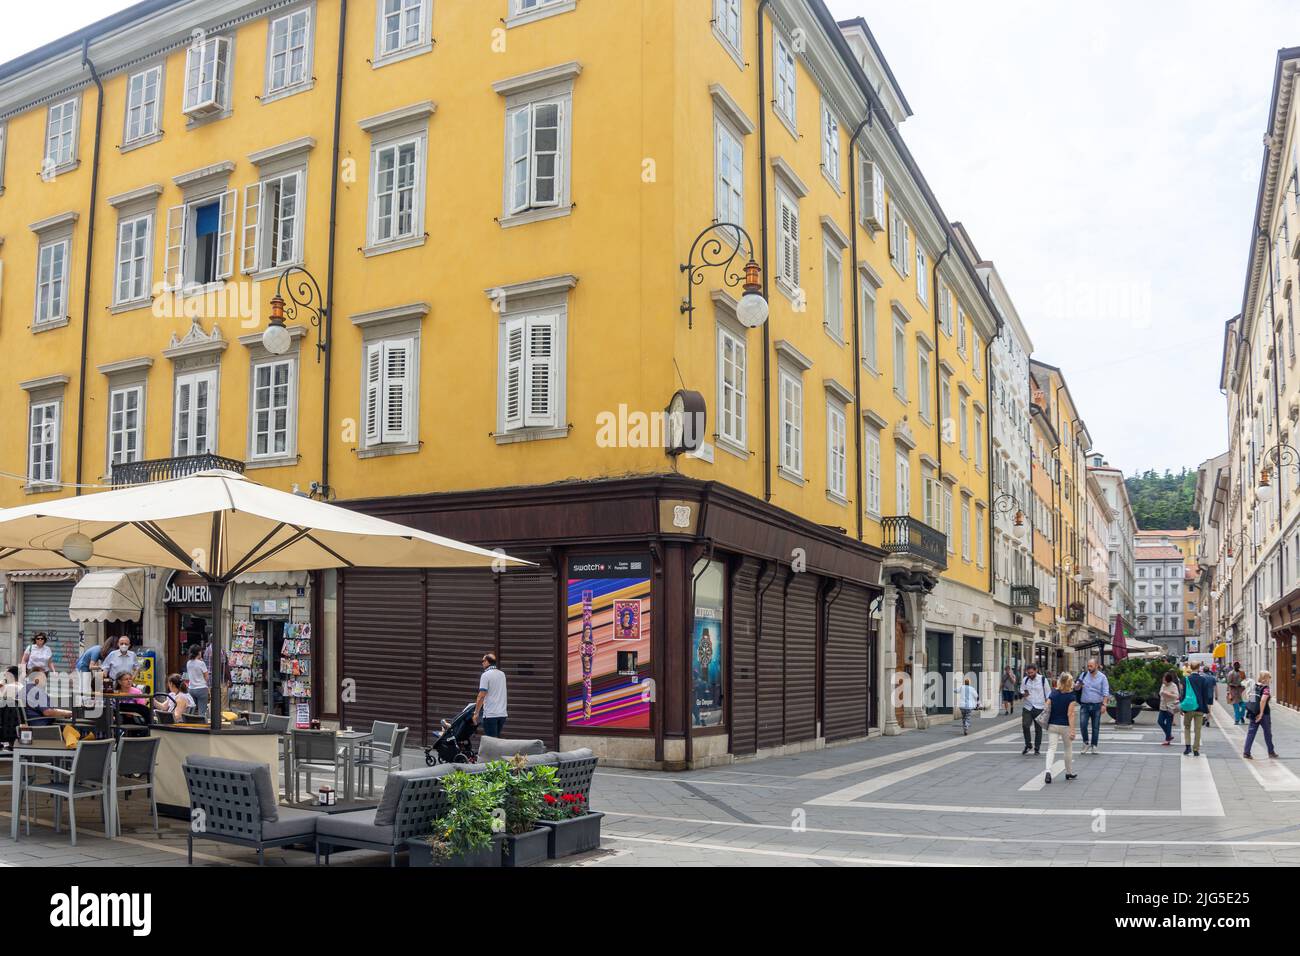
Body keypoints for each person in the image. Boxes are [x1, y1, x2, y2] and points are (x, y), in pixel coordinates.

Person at [1043, 672, 1079, 784]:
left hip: (1053, 724)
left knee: (1051, 748)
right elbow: (1071, 714)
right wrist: (1073, 730)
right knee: (1068, 748)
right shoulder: (1071, 696)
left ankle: (1048, 771)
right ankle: (1068, 772)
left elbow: (1046, 705)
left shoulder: (1054, 693)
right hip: (1065, 726)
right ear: (1069, 683)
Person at [1242, 670, 1280, 760]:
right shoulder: (1265, 688)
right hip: (1264, 714)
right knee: (1267, 733)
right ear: (1265, 678)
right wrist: (1261, 713)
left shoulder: (1254, 686)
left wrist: (1253, 711)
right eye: (1269, 677)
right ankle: (1271, 752)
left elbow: (1251, 699)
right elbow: (1263, 700)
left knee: (1251, 733)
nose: (1270, 679)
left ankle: (1246, 752)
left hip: (1253, 713)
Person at [1181, 660, 1215, 757]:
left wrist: (1182, 707)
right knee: (1198, 729)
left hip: (1188, 707)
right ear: (1199, 668)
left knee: (1187, 727)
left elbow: (1183, 694)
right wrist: (1206, 710)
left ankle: (1187, 746)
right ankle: (1196, 749)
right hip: (1199, 708)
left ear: (1190, 668)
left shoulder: (1186, 679)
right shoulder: (1203, 680)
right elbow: (1205, 696)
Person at [1076, 658, 1109, 755]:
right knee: (1082, 724)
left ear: (1096, 666)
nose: (1089, 668)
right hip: (1085, 705)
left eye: (1091, 666)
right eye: (1088, 666)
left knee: (1095, 727)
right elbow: (1076, 688)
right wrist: (1079, 685)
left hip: (1097, 705)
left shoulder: (1102, 677)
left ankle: (1094, 745)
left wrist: (1104, 704)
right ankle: (1086, 742)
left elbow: (1105, 692)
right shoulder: (1084, 675)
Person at [473, 652, 508, 738]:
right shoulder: (502, 674)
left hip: (490, 714)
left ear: (488, 662)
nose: (482, 662)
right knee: (496, 741)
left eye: (483, 660)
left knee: (491, 742)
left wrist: (476, 713)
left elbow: (481, 695)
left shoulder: (485, 675)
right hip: (502, 714)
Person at [1020, 663, 1051, 755]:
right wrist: (1023, 693)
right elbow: (1021, 689)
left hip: (1039, 707)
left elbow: (1048, 693)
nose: (1030, 675)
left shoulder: (1042, 680)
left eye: (1031, 673)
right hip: (1028, 706)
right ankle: (1028, 745)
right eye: (1028, 673)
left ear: (1036, 670)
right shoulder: (1025, 680)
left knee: (1038, 729)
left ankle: (1037, 747)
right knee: (1025, 725)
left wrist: (1047, 705)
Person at [186, 645, 210, 718]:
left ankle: (190, 725)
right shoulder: (201, 663)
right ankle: (201, 727)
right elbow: (207, 677)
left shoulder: (188, 663)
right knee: (201, 712)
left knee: (191, 711)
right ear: (199, 653)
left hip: (191, 689)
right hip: (201, 688)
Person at [1157, 670, 1180, 746]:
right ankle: (1169, 735)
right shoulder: (1163, 685)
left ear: (1168, 680)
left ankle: (1167, 739)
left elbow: (1176, 696)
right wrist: (1163, 693)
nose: (1163, 681)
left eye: (1164, 679)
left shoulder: (1173, 686)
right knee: (1160, 721)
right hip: (1162, 706)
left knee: (1169, 723)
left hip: (1170, 707)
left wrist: (1168, 694)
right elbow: (1160, 693)